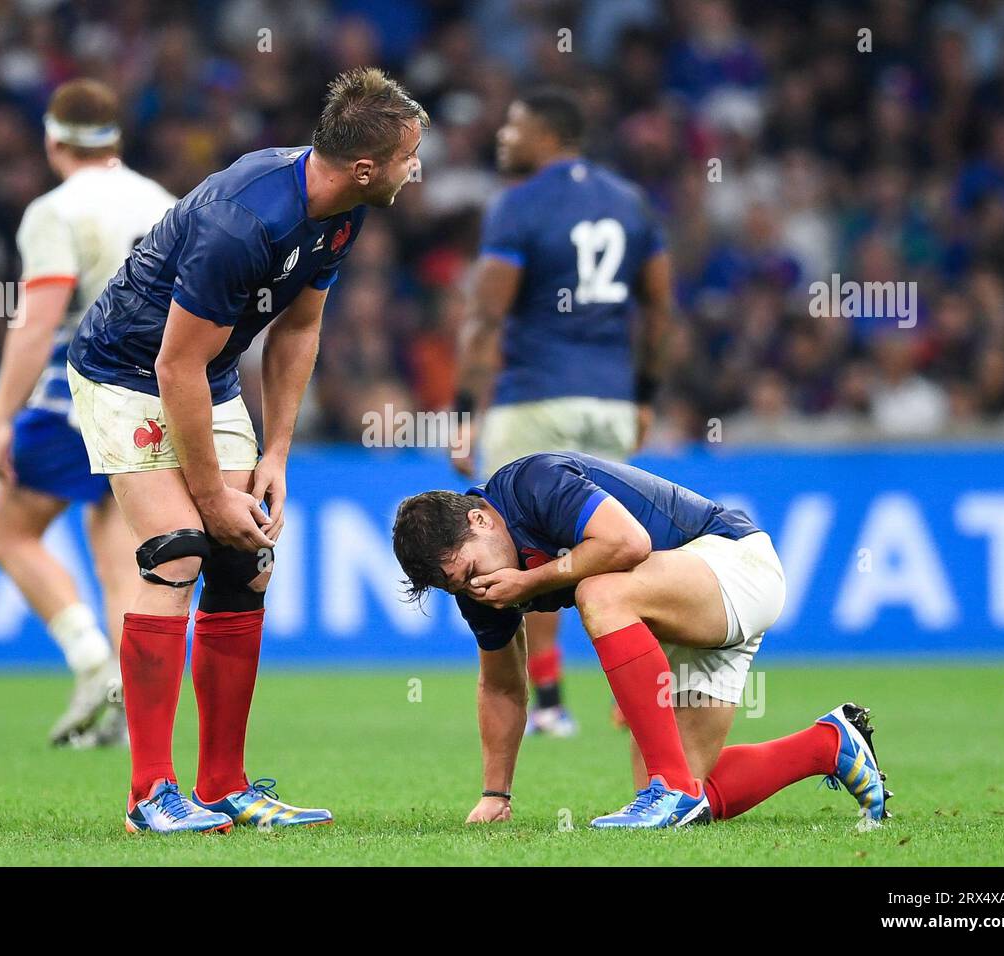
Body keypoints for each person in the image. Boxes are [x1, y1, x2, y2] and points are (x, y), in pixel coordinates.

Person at [67, 67, 427, 834]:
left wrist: (277, 453)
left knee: (247, 559)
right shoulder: (244, 222)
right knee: (179, 550)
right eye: (409, 156)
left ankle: (224, 784)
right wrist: (213, 491)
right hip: (128, 370)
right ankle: (148, 797)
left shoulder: (341, 210)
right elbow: (172, 365)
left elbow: (297, 329)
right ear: (366, 166)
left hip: (212, 373)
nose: (415, 169)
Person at [392, 451, 892, 829]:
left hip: (731, 564)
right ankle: (829, 744)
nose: (474, 588)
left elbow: (628, 544)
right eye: (457, 586)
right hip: (679, 608)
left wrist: (528, 583)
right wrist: (495, 795)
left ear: (478, 519)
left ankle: (670, 787)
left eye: (471, 571)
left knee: (600, 590)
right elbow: (501, 687)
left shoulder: (533, 483)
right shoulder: (479, 585)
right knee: (697, 800)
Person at [453, 89, 675, 737]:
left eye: (514, 124)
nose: (503, 133)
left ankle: (546, 700)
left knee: (525, 547)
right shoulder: (631, 201)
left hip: (537, 395)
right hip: (609, 399)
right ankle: (642, 685)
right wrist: (644, 395)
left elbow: (485, 316)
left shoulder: (517, 205)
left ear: (548, 134)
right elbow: (661, 310)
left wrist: (467, 409)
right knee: (618, 544)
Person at [0, 79, 174, 747]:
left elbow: (37, 322)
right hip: (151, 399)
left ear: (52, 139)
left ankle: (91, 662)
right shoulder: (165, 202)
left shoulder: (55, 211)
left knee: (7, 534)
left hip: (78, 393)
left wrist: (1, 416)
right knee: (122, 567)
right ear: (116, 137)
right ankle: (129, 704)